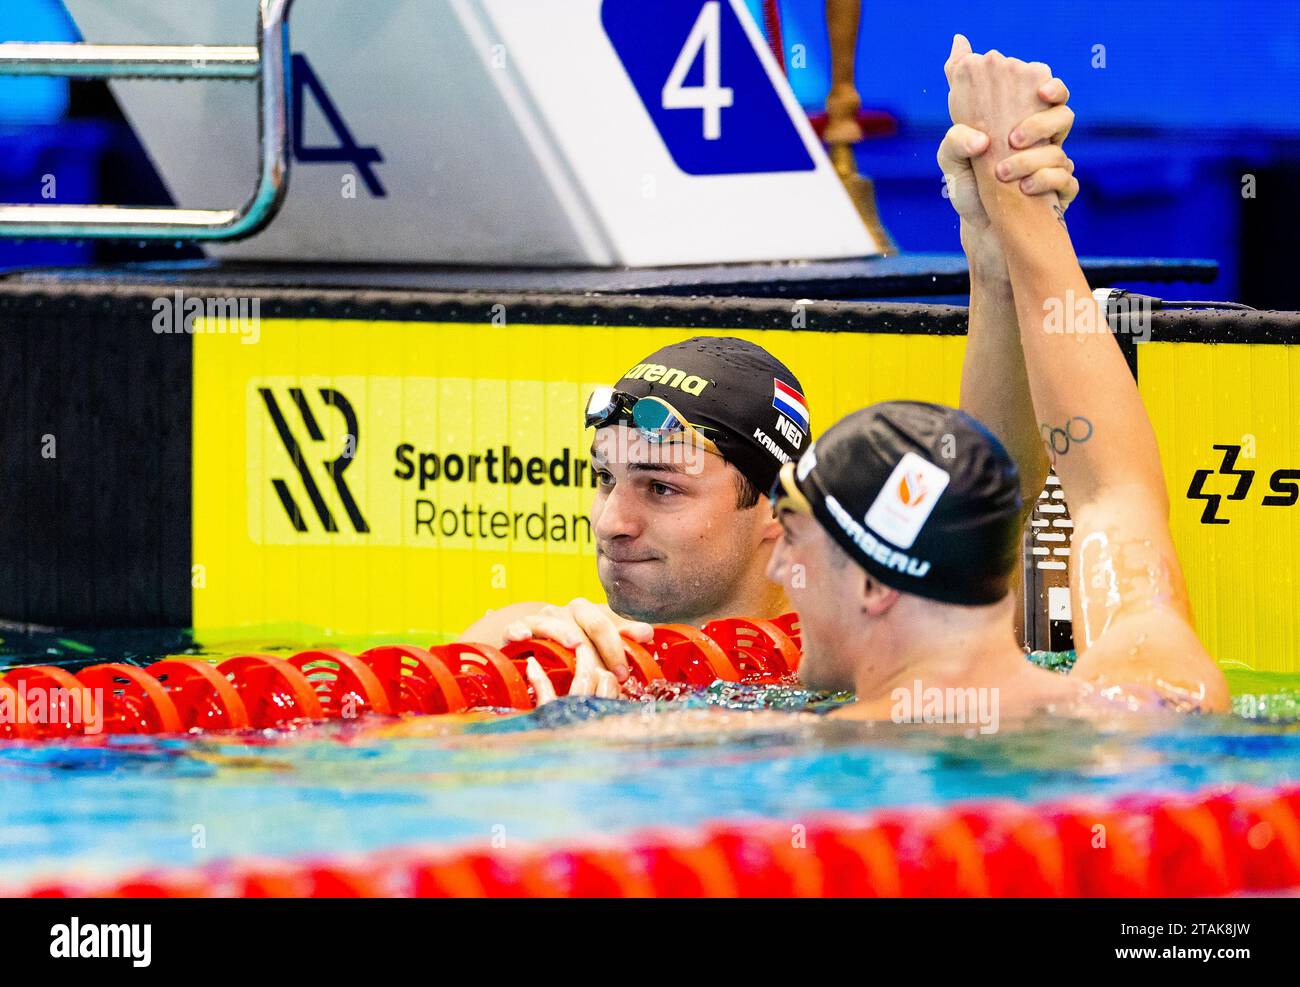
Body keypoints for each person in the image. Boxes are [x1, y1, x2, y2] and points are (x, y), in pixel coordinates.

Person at [763, 37, 1230, 719]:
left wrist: (1009, 189)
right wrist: (1013, 210)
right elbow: (1111, 492)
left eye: (796, 536)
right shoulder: (1145, 701)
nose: (779, 568)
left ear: (871, 584)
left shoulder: (790, 752)